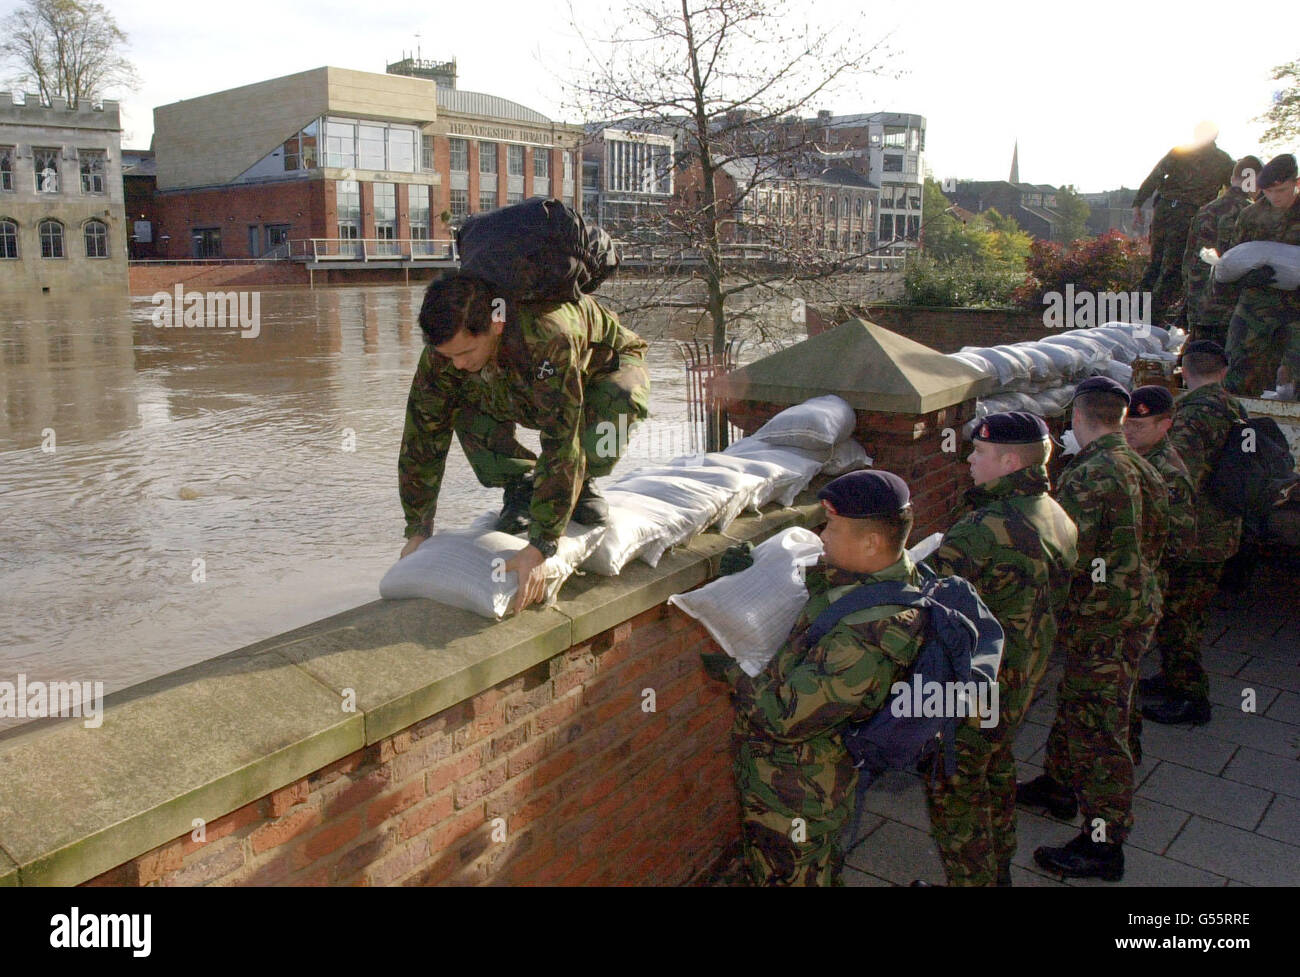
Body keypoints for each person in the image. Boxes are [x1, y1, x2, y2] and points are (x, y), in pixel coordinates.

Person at [701, 470, 928, 886]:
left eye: (833, 527)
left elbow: (783, 717)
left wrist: (732, 673)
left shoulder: (866, 638)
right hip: (800, 781)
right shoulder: (885, 578)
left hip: (798, 794)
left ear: (871, 542)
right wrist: (753, 572)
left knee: (792, 874)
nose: (823, 536)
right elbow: (827, 596)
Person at [398, 273, 650, 612]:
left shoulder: (548, 336)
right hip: (519, 376)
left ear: (495, 325)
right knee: (460, 396)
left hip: (603, 371)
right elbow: (423, 435)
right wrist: (418, 526)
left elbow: (563, 437)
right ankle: (519, 483)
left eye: (466, 351)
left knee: (600, 433)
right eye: (449, 355)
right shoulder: (443, 358)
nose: (457, 363)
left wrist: (541, 546)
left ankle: (585, 482)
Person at [1018, 377, 1168, 881]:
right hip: (1132, 609)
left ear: (1078, 418)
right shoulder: (1142, 465)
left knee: (1100, 728)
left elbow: (1062, 551)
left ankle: (1103, 843)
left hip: (1103, 619)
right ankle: (1058, 785)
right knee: (1081, 702)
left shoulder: (1090, 475)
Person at [924, 412, 1078, 887]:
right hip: (1020, 678)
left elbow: (922, 601)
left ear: (1010, 461)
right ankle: (998, 874)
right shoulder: (1054, 512)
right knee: (994, 776)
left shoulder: (983, 528)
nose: (969, 459)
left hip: (976, 688)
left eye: (980, 452)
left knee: (955, 790)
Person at [1142, 341, 1247, 725]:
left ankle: (1189, 697)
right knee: (1187, 612)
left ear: (1183, 370)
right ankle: (1172, 678)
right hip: (1219, 527)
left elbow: (1180, 474)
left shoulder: (1195, 413)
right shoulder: (1230, 404)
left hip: (1195, 535)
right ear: (1223, 371)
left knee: (1179, 617)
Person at [1121, 385, 1196, 758]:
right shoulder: (1131, 459)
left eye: (1139, 424)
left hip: (1139, 586)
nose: (1129, 430)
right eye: (1126, 422)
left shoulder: (1167, 473)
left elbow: (1180, 543)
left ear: (1165, 425)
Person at [1133, 122, 1235, 324]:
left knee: (1156, 265)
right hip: (1189, 215)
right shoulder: (1222, 160)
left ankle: (1140, 317)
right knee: (1175, 268)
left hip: (1165, 210)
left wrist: (1138, 203)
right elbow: (1234, 189)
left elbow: (1155, 177)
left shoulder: (1181, 151)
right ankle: (1151, 318)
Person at [1219, 153, 1300, 398]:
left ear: (1296, 183)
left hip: (1297, 306)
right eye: (1268, 191)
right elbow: (1232, 259)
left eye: (1282, 190)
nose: (1275, 197)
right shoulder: (1250, 216)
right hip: (1257, 304)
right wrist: (1247, 279)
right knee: (1239, 369)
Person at [1181, 155, 1262, 347]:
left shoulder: (1205, 210)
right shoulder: (1250, 213)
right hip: (1229, 308)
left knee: (1201, 362)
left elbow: (1188, 259)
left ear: (1233, 178)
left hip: (1198, 302)